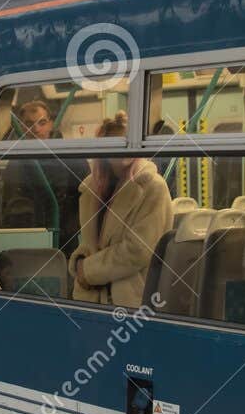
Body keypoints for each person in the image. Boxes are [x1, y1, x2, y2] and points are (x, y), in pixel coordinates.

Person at [68, 114, 174, 307]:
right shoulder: (92, 188)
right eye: (117, 142)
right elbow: (90, 243)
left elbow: (138, 251)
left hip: (130, 298)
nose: (125, 148)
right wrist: (79, 262)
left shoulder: (152, 187)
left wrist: (89, 271)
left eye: (129, 141)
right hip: (91, 297)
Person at [0, 99, 85, 254]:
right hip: (29, 238)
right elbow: (9, 203)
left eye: (42, 122)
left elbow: (84, 197)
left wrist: (70, 231)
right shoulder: (15, 164)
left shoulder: (72, 157)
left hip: (67, 241)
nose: (36, 129)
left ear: (51, 124)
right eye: (29, 123)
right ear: (21, 127)